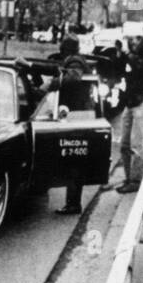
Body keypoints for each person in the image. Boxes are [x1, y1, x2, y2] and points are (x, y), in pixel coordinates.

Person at [45, 37, 93, 214]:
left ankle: (73, 204)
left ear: (65, 49)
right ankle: (72, 202)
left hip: (76, 115)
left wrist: (52, 84)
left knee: (74, 160)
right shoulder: (77, 60)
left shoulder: (74, 61)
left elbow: (73, 78)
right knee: (75, 160)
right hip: (80, 113)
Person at [115, 30, 143, 193]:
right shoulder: (130, 56)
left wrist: (128, 56)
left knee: (137, 143)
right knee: (125, 144)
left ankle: (136, 180)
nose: (132, 42)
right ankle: (129, 177)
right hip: (131, 101)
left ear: (142, 39)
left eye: (135, 39)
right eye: (129, 39)